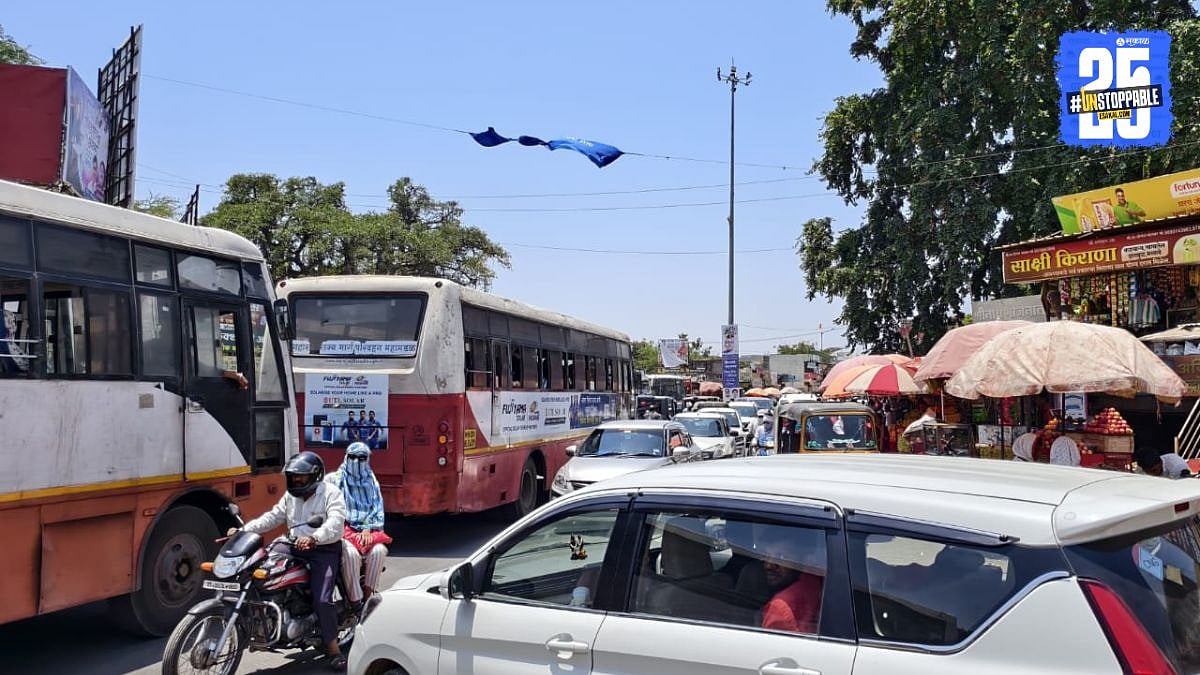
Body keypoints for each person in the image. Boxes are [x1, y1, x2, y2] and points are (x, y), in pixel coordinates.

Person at [238, 452, 348, 670]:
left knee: (323, 599)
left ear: (315, 476)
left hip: (322, 549)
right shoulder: (291, 496)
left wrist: (315, 538)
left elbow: (335, 522)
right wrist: (243, 530)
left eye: (301, 477)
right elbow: (273, 517)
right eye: (293, 477)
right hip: (292, 545)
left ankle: (333, 649)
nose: (296, 481)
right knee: (258, 571)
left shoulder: (331, 493)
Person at [327, 442, 392, 610]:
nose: (356, 462)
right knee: (350, 555)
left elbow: (377, 508)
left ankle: (368, 597)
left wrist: (367, 528)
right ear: (346, 457)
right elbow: (330, 509)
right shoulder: (334, 480)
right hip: (343, 530)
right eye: (352, 457)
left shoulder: (371, 481)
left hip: (367, 530)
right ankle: (355, 602)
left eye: (361, 458)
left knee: (378, 551)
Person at [759, 530, 825, 634]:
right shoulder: (818, 581)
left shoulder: (779, 609)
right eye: (766, 555)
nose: (769, 565)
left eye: (781, 557)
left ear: (805, 560)